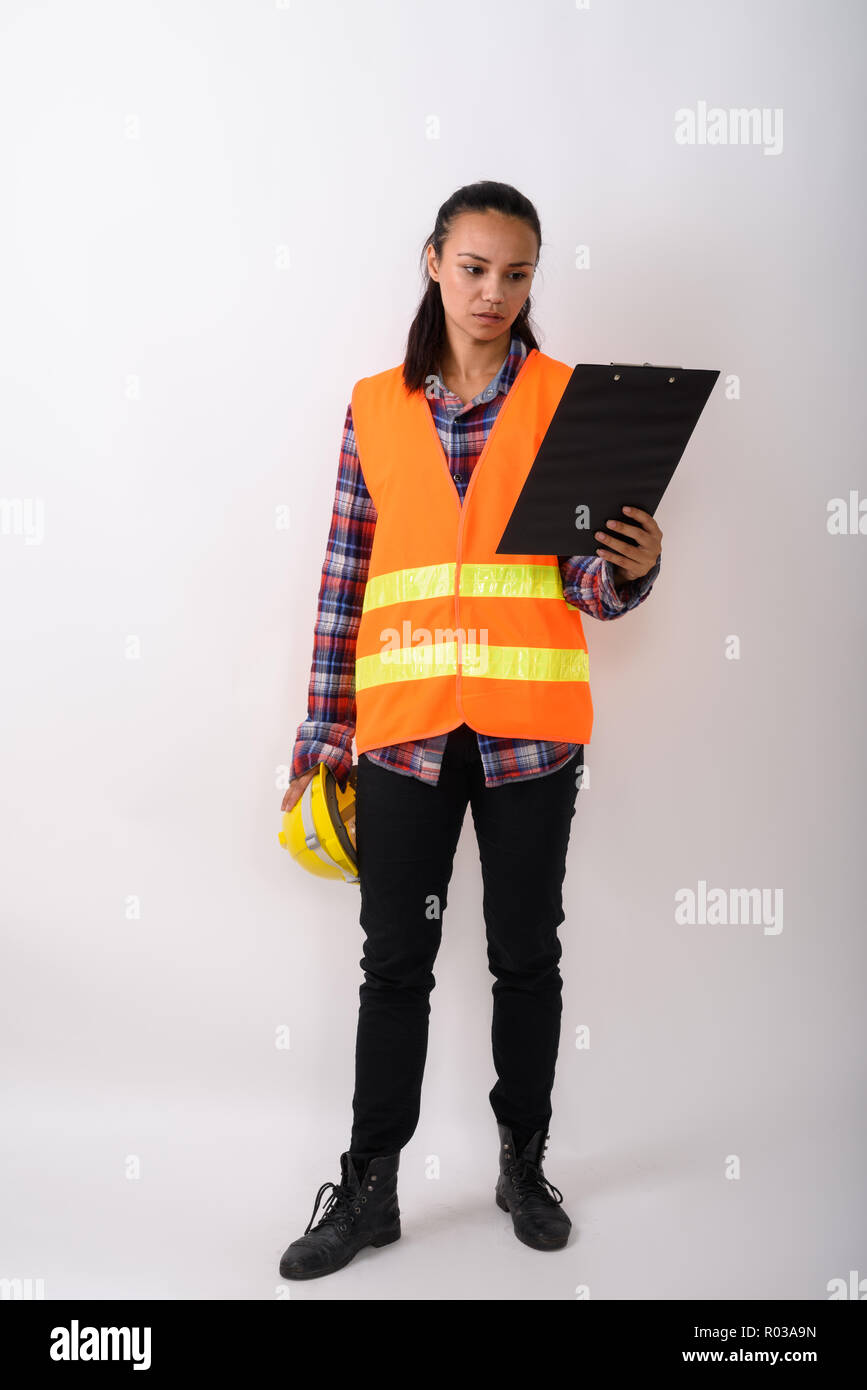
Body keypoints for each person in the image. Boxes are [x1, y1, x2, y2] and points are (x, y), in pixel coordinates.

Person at [277, 180, 662, 1281]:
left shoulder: (564, 403)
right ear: (435, 262)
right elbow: (344, 579)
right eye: (477, 267)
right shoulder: (373, 407)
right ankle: (369, 1188)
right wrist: (321, 735)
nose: (496, 291)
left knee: (525, 957)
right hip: (400, 738)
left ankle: (522, 1163)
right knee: (392, 965)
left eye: (520, 273)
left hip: (530, 740)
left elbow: (587, 579)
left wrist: (634, 568)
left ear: (534, 279)